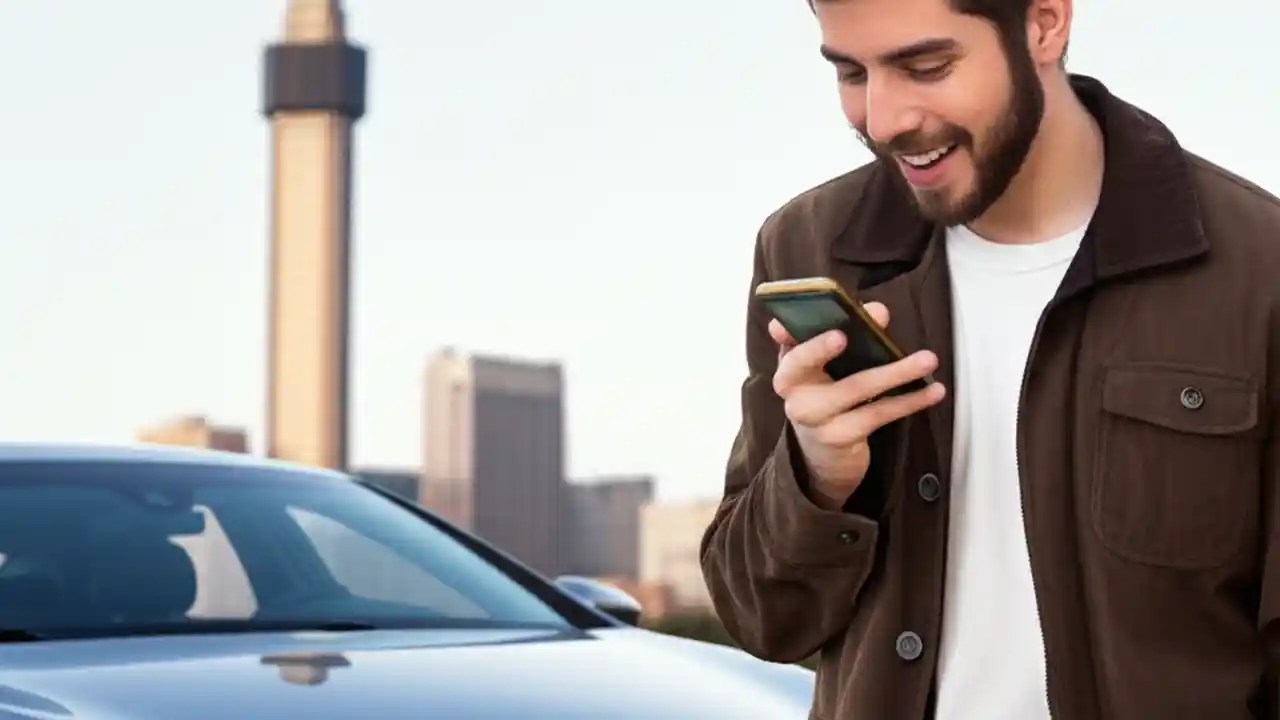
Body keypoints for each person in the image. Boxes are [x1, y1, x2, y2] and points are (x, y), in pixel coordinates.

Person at [698, 0, 1280, 718]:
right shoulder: (809, 248)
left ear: (1044, 23)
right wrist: (813, 479)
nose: (882, 120)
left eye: (925, 67)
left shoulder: (1258, 269)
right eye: (851, 72)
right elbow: (760, 618)